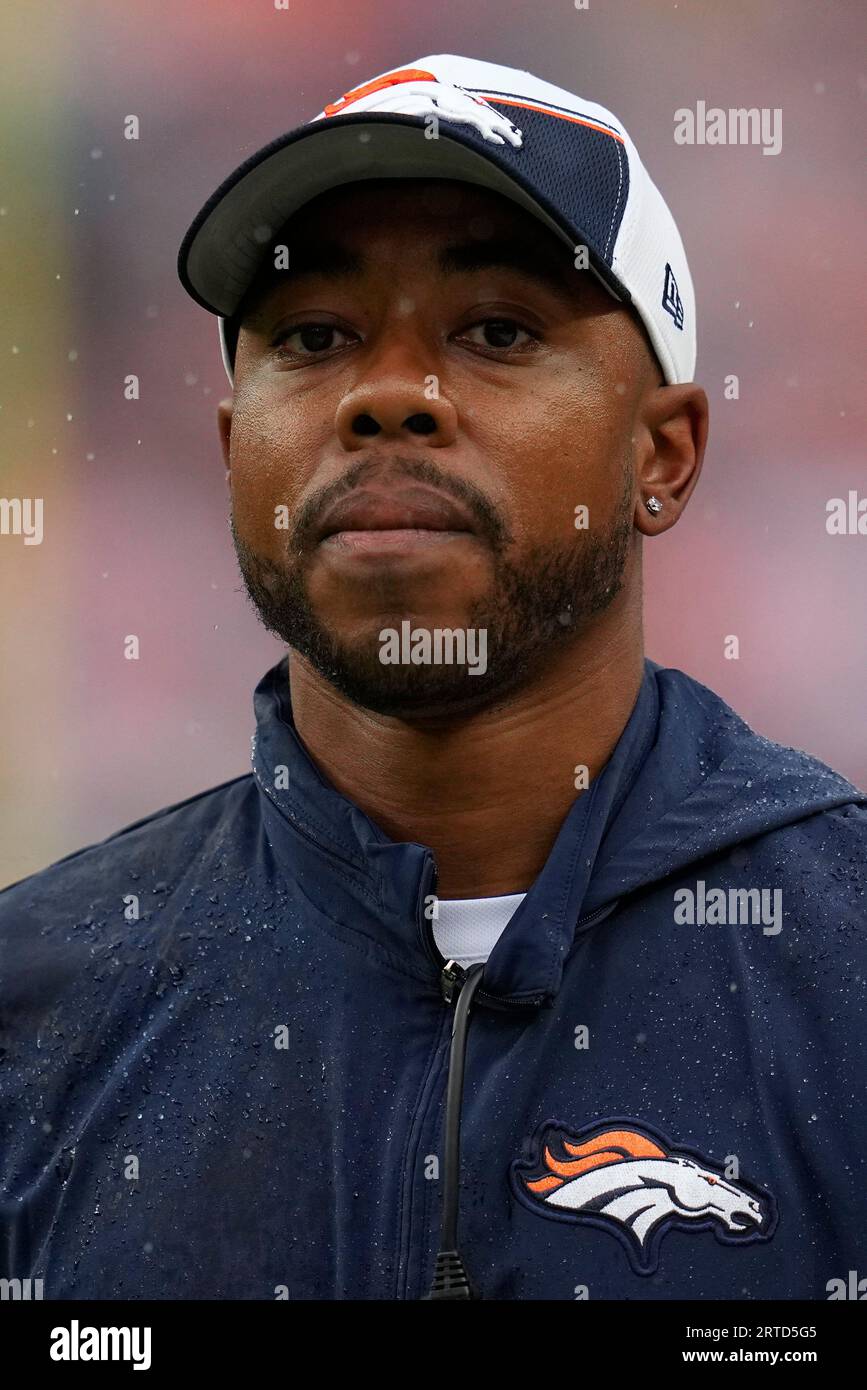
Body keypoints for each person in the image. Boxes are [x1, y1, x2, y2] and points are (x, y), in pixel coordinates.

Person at [1, 54, 864, 1302]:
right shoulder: (38, 1008)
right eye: (315, 336)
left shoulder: (839, 969)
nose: (389, 394)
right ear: (236, 448)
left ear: (662, 454)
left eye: (498, 330)